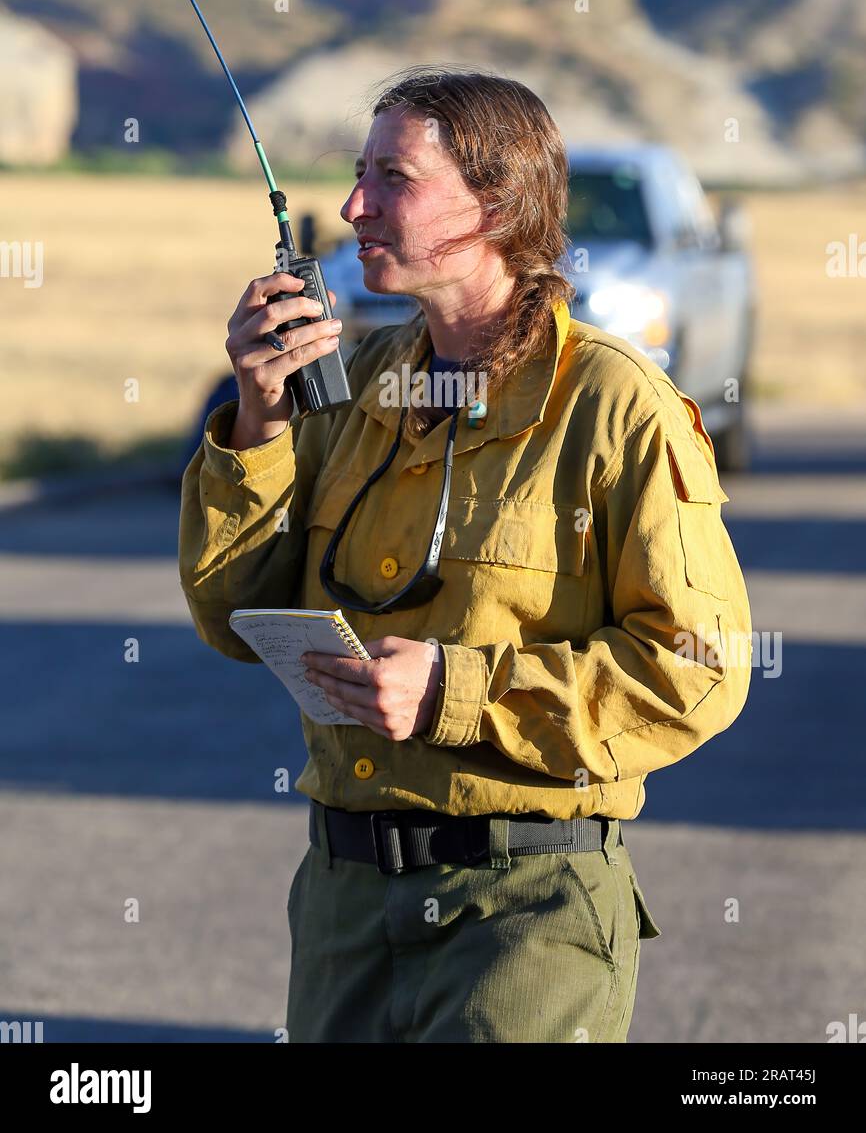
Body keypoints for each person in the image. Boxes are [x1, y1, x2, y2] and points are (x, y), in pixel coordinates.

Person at [178, 66, 753, 1044]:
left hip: (523, 908)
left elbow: (699, 669)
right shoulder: (350, 387)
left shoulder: (611, 406)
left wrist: (456, 687)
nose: (355, 205)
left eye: (392, 177)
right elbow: (233, 610)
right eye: (357, 174)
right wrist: (260, 422)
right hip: (341, 910)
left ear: (496, 203)